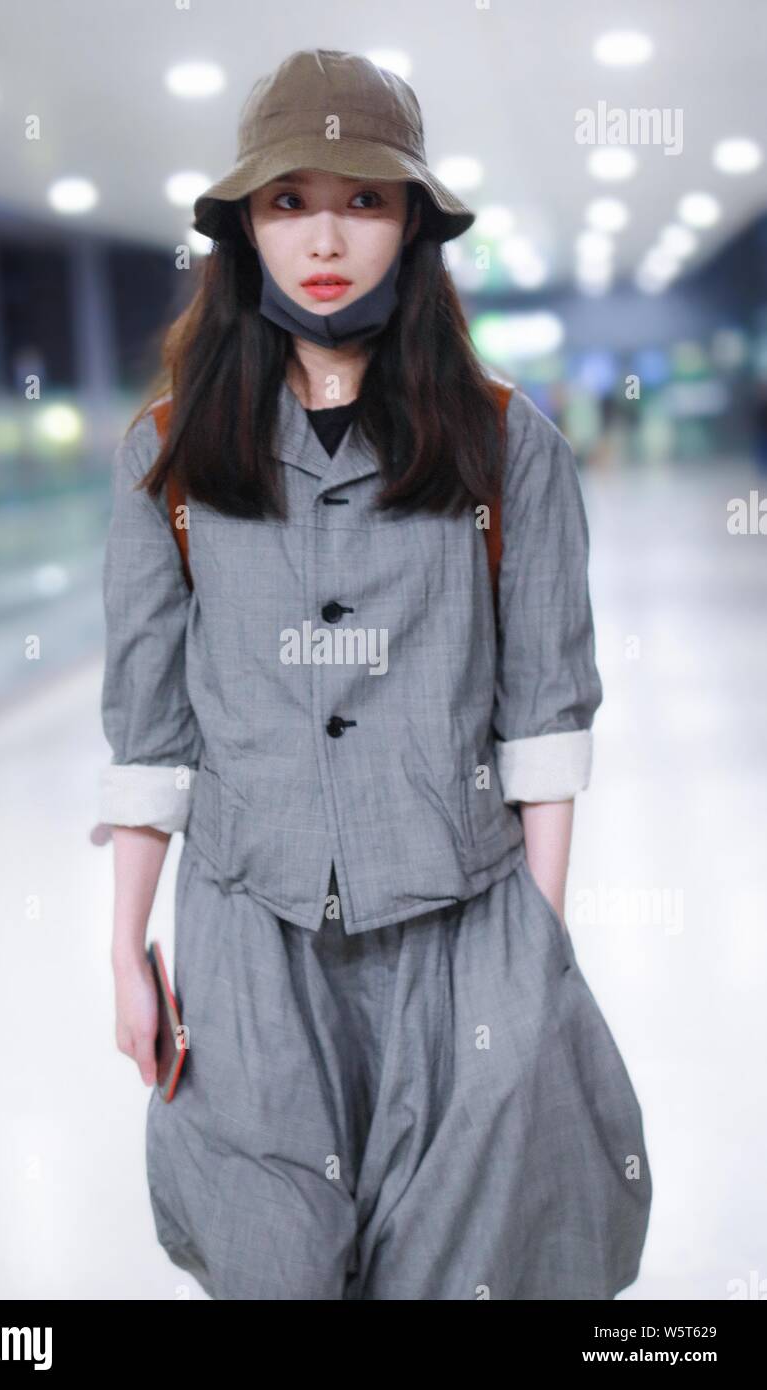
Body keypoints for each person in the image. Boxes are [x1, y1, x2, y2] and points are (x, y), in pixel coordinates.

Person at [91, 48, 652, 1300]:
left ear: (412, 224)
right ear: (243, 225)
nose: (326, 235)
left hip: (463, 927)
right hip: (246, 931)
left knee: (457, 1263)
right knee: (275, 1261)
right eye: (288, 200)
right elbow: (147, 729)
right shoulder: (168, 458)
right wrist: (125, 944)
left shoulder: (512, 448)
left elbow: (544, 722)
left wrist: (535, 958)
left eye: (364, 198)